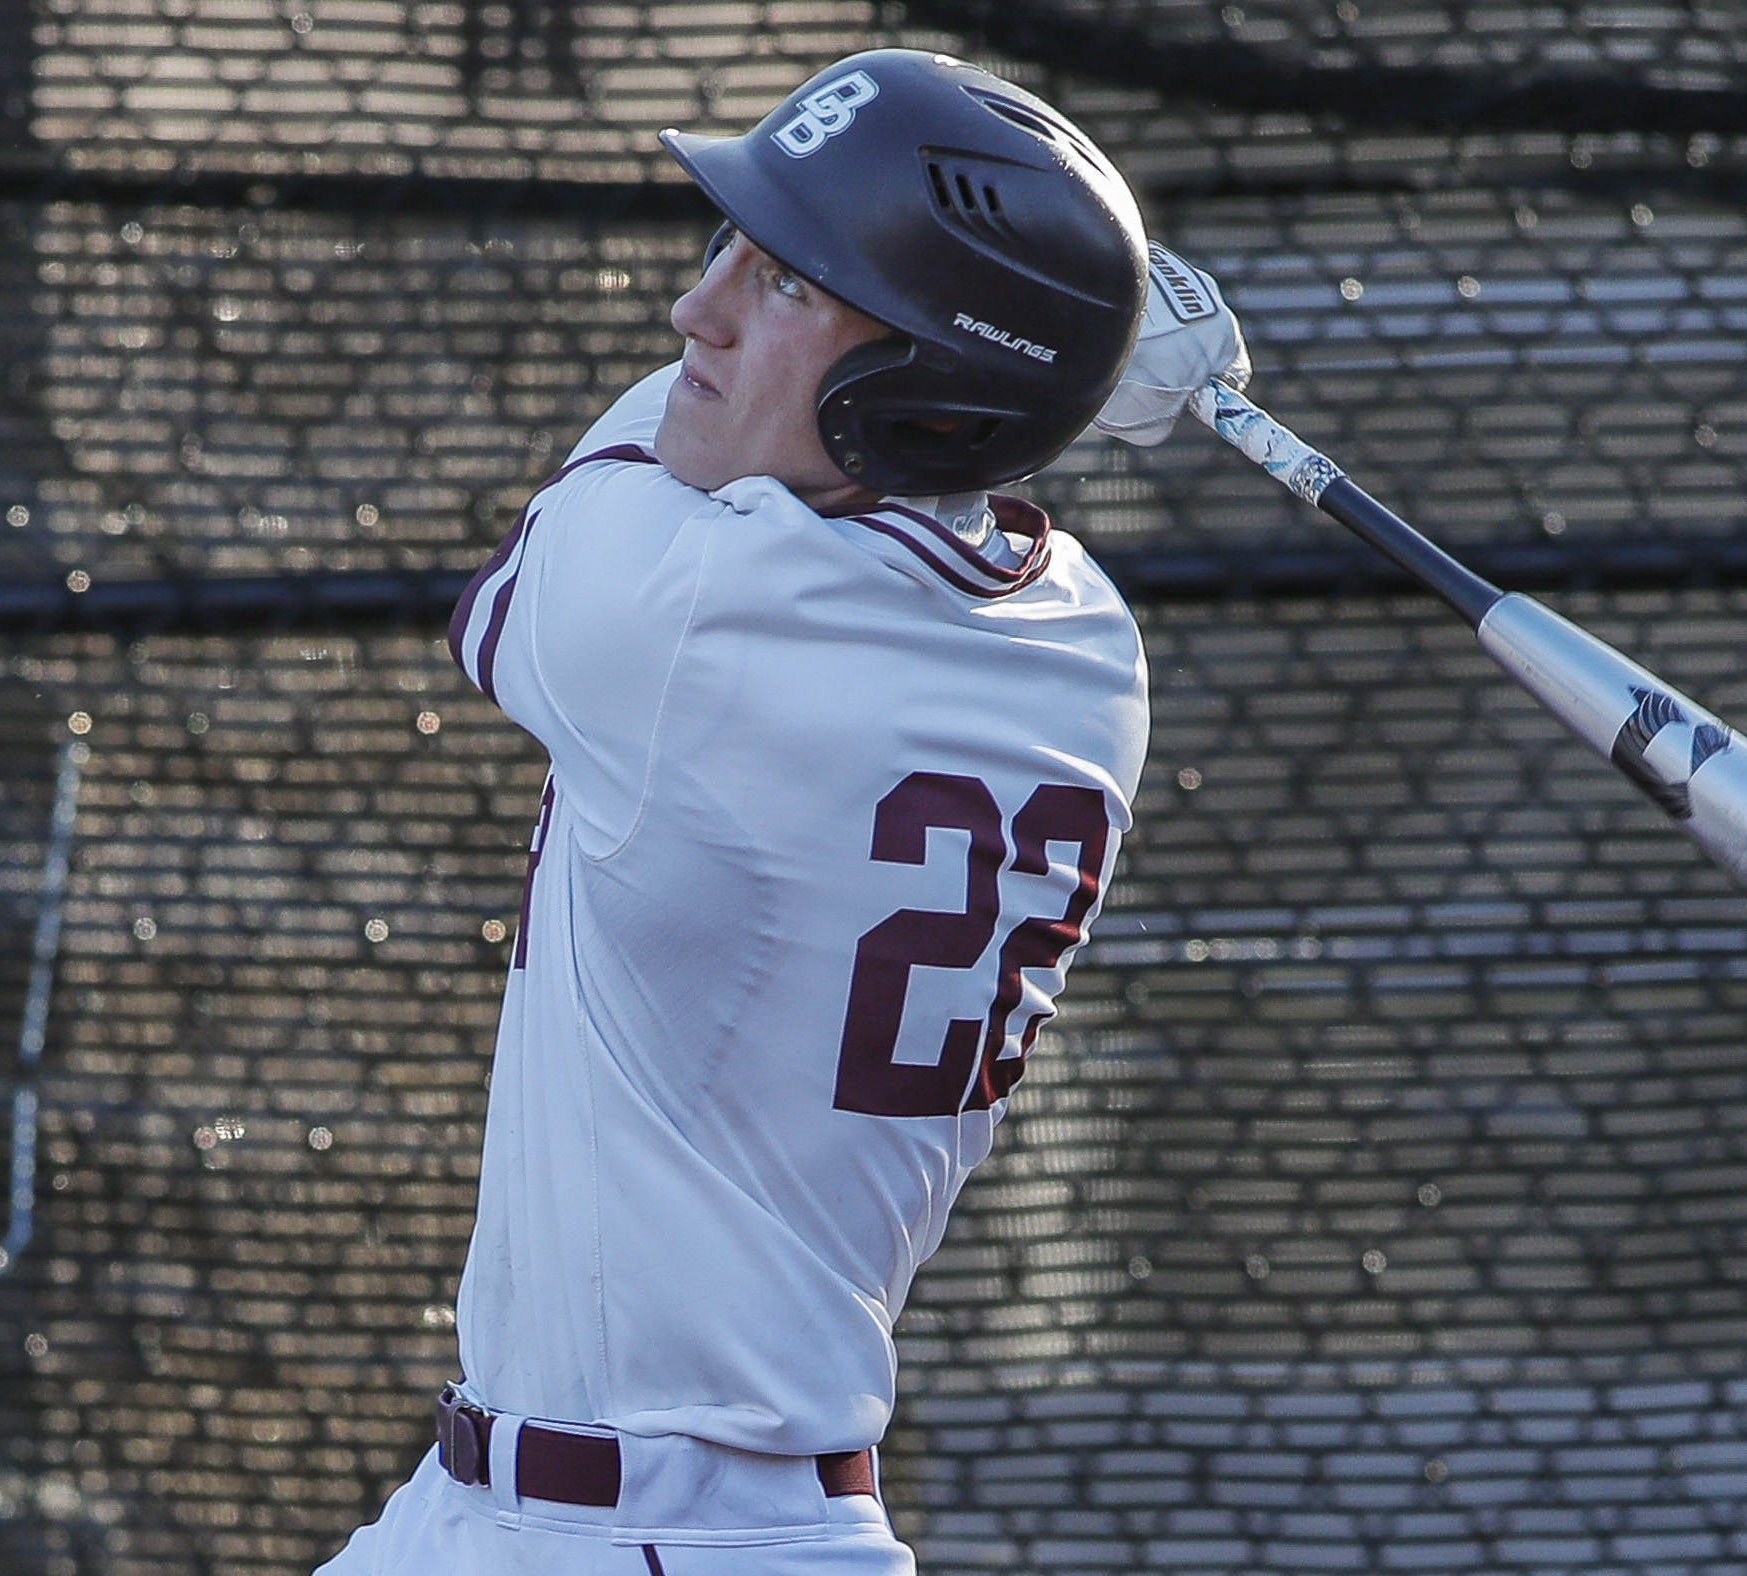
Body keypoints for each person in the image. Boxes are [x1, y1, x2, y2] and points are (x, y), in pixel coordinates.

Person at [318, 47, 1248, 1576]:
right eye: (727, 255)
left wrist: (1062, 333)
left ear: (935, 392)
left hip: (642, 1537)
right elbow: (796, 443)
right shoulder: (1083, 643)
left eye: (788, 284)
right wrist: (1040, 345)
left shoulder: (681, 615)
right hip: (511, 1509)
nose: (695, 314)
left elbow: (640, 465)